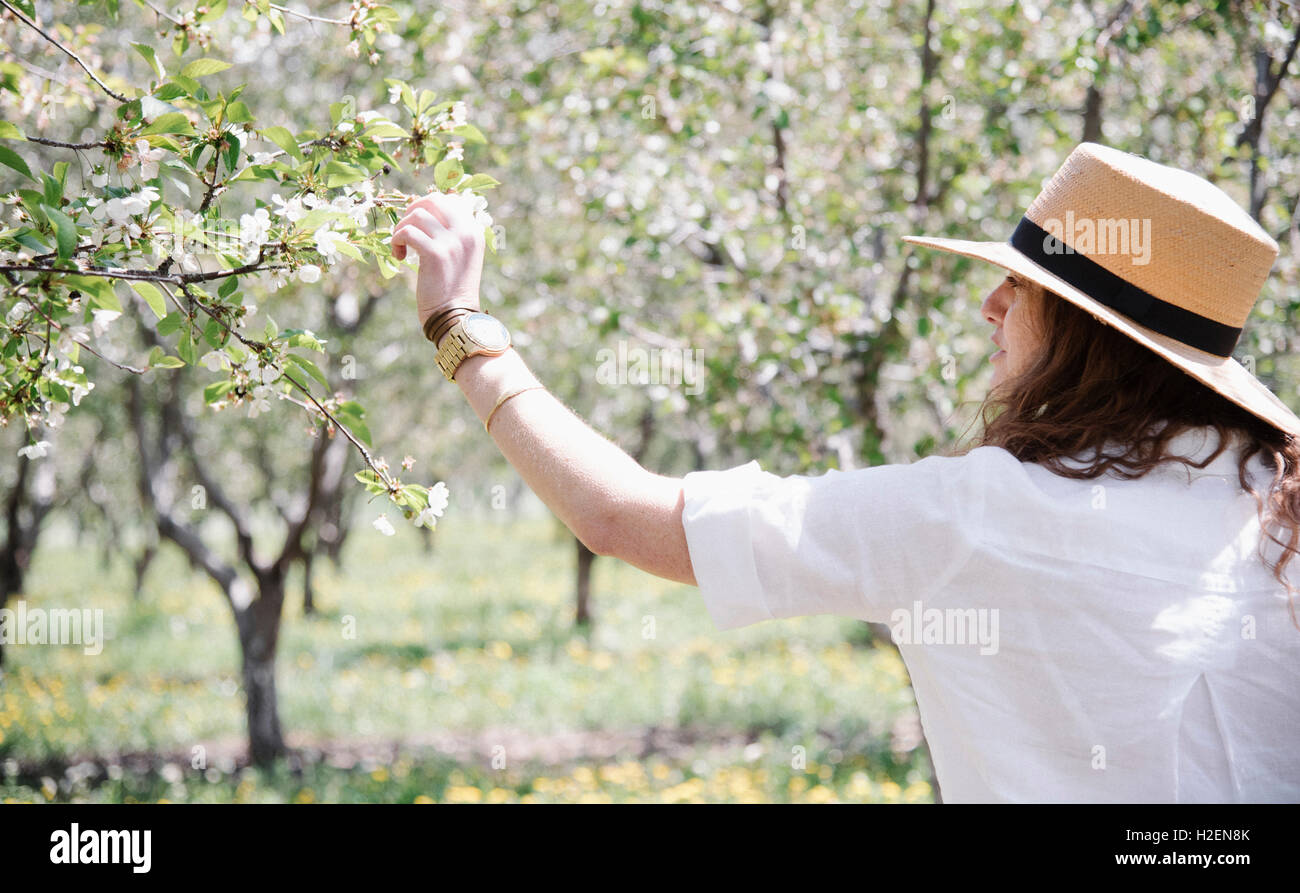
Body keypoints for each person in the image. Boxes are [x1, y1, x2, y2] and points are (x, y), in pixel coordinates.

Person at [389, 142, 1300, 803]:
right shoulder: (1279, 506)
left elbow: (624, 516)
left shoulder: (976, 519)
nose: (989, 305)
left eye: (1021, 287)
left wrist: (460, 328)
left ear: (1086, 334)